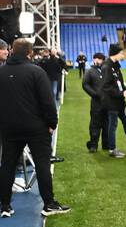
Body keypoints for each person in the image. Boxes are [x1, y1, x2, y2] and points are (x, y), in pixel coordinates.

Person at [0, 38, 70, 217]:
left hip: (9, 128)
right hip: (35, 127)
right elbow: (47, 102)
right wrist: (51, 123)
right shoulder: (36, 72)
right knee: (42, 164)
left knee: (7, 166)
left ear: (12, 51)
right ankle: (49, 204)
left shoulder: (2, 71)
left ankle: (5, 206)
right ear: (30, 53)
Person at [99, 43, 126, 157]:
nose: (123, 55)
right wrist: (121, 92)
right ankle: (112, 149)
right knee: (112, 126)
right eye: (121, 53)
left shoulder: (116, 65)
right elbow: (106, 87)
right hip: (111, 102)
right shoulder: (106, 67)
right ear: (115, 54)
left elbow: (117, 83)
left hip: (119, 101)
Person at [83, 52, 108, 151]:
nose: (99, 60)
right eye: (97, 58)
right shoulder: (90, 71)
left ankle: (106, 144)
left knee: (107, 124)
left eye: (101, 59)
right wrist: (94, 94)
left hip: (107, 102)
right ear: (93, 59)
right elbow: (85, 84)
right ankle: (93, 145)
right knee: (95, 124)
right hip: (96, 103)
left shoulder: (106, 71)